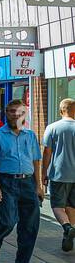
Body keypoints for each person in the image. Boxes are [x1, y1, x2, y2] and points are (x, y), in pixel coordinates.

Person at [0, 99, 44, 263]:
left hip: (28, 183)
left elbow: (36, 160)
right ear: (6, 113)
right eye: (11, 111)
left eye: (19, 112)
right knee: (9, 221)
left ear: (23, 114)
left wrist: (39, 185)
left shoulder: (30, 135)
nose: (15, 115)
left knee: (30, 225)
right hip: (6, 182)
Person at [41, 97, 75, 253]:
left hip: (58, 174)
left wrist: (43, 172)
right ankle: (69, 233)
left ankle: (67, 227)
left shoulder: (53, 127)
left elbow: (47, 152)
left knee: (57, 205)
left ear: (61, 110)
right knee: (71, 205)